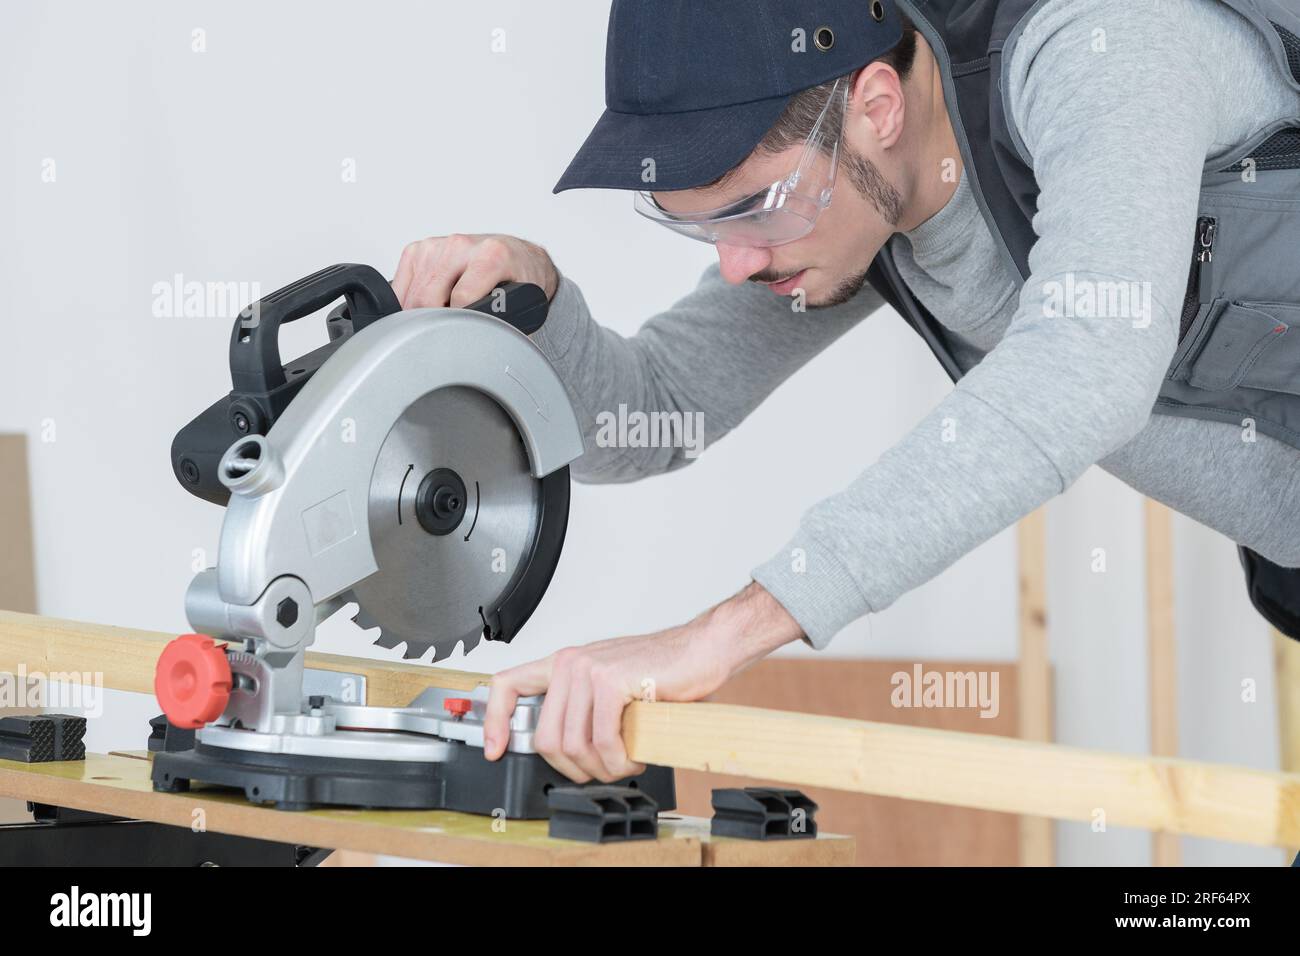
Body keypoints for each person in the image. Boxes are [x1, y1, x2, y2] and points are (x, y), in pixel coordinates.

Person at [391, 0, 1300, 785]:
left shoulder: (1098, 48)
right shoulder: (854, 213)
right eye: (700, 226)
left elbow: (1090, 361)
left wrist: (721, 633)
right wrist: (537, 309)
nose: (736, 263)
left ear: (876, 104)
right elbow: (658, 408)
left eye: (752, 209)